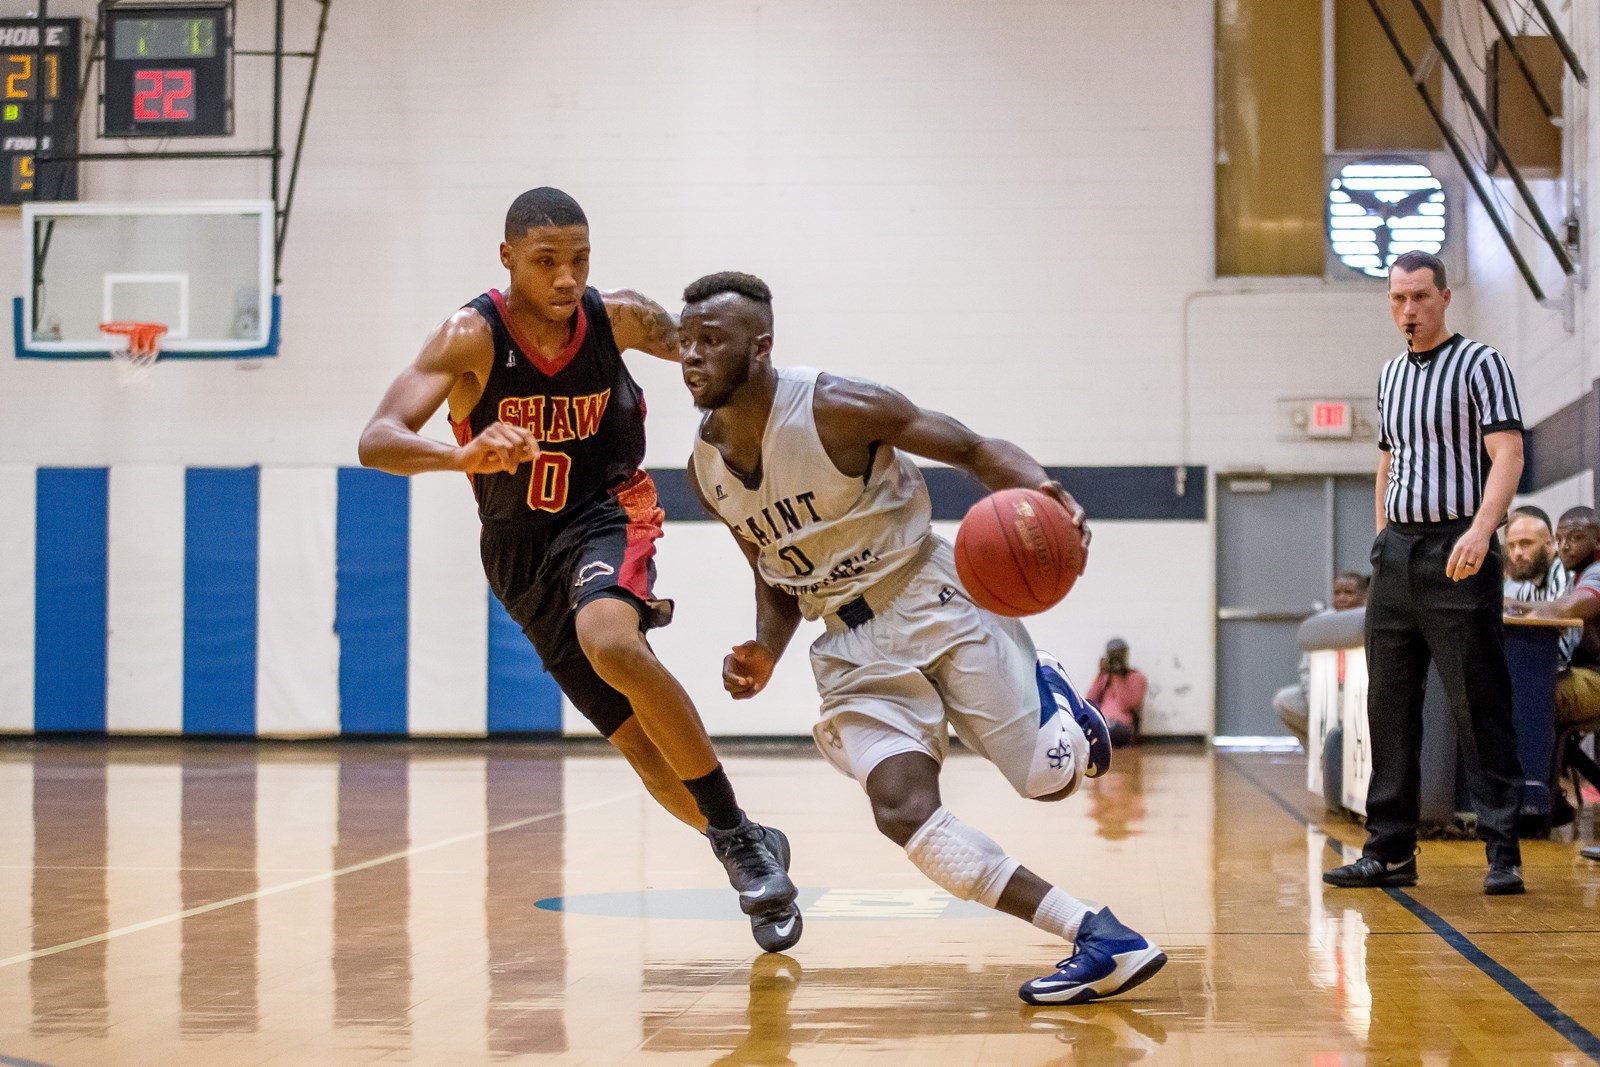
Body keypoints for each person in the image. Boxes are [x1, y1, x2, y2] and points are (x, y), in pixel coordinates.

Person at [677, 271, 1166, 1006]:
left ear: (761, 347)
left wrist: (1046, 490)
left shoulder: (839, 407)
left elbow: (972, 447)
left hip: (932, 595)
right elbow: (773, 574)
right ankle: (1097, 936)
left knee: (1050, 779)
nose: (691, 356)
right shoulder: (704, 468)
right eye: (686, 342)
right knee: (902, 812)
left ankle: (1053, 688)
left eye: (711, 340)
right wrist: (765, 649)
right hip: (848, 648)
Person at [357, 189, 801, 951]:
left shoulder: (619, 317)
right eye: (546, 262)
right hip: (518, 550)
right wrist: (459, 455)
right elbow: (377, 439)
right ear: (507, 259)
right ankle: (747, 838)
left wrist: (775, 410)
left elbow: (716, 353)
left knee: (611, 640)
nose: (567, 278)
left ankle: (738, 843)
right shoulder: (471, 335)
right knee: (644, 754)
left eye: (579, 259)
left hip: (607, 511)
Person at [1323, 250, 1528, 897]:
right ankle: (1389, 851)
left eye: (1419, 296)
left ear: (1444, 297)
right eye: (1397, 298)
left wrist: (1482, 529)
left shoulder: (1482, 364)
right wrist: (1382, 535)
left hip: (1460, 546)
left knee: (1478, 701)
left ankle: (1503, 850)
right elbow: (1389, 460)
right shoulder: (1390, 375)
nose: (1408, 309)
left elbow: (1509, 453)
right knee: (1387, 704)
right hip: (1398, 553)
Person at [1275, 572, 1369, 747]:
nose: (1341, 598)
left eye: (1348, 593)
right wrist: (1317, 701)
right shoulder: (1320, 624)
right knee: (1284, 700)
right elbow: (1306, 671)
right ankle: (1321, 755)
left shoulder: (1371, 621)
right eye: (1336, 593)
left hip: (1362, 695)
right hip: (1325, 694)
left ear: (1365, 596)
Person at [1086, 638, 1147, 747]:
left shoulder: (1136, 677)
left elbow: (1127, 705)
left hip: (1122, 725)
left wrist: (1117, 676)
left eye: (1120, 654)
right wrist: (1100, 674)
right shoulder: (1105, 677)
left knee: (1106, 731)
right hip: (1103, 722)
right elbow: (1090, 702)